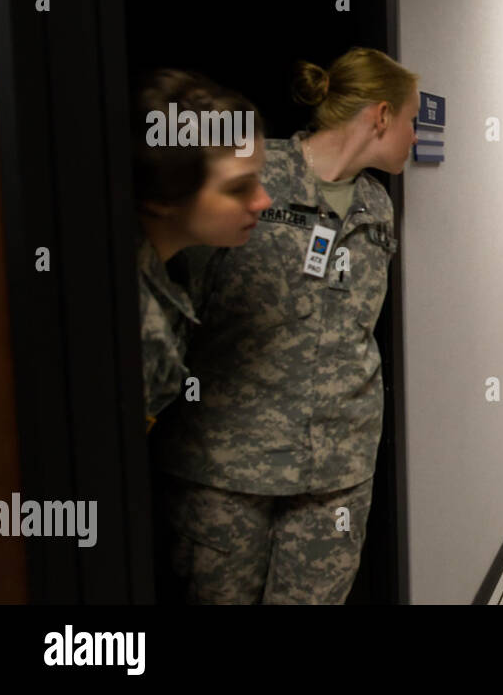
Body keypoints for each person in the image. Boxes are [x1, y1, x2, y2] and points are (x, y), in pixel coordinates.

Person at [156, 47, 416, 604]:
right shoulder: (252, 176)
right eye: (412, 119)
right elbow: (180, 303)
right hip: (227, 464)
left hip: (338, 466)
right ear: (381, 116)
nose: (416, 137)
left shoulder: (377, 206)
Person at [134, 70, 270, 432]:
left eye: (259, 178)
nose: (262, 201)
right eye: (239, 187)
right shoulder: (132, 314)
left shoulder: (168, 274)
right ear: (164, 196)